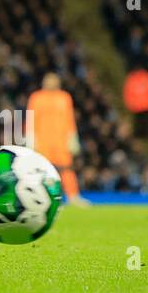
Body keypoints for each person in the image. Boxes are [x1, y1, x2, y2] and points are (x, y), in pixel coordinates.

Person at [26, 72, 89, 206]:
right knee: (41, 170)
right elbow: (31, 120)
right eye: (49, 80)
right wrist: (30, 139)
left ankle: (73, 196)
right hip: (42, 142)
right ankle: (41, 197)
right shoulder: (36, 98)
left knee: (67, 169)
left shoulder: (64, 97)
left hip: (61, 142)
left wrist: (72, 138)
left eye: (53, 80)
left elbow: (69, 119)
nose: (51, 83)